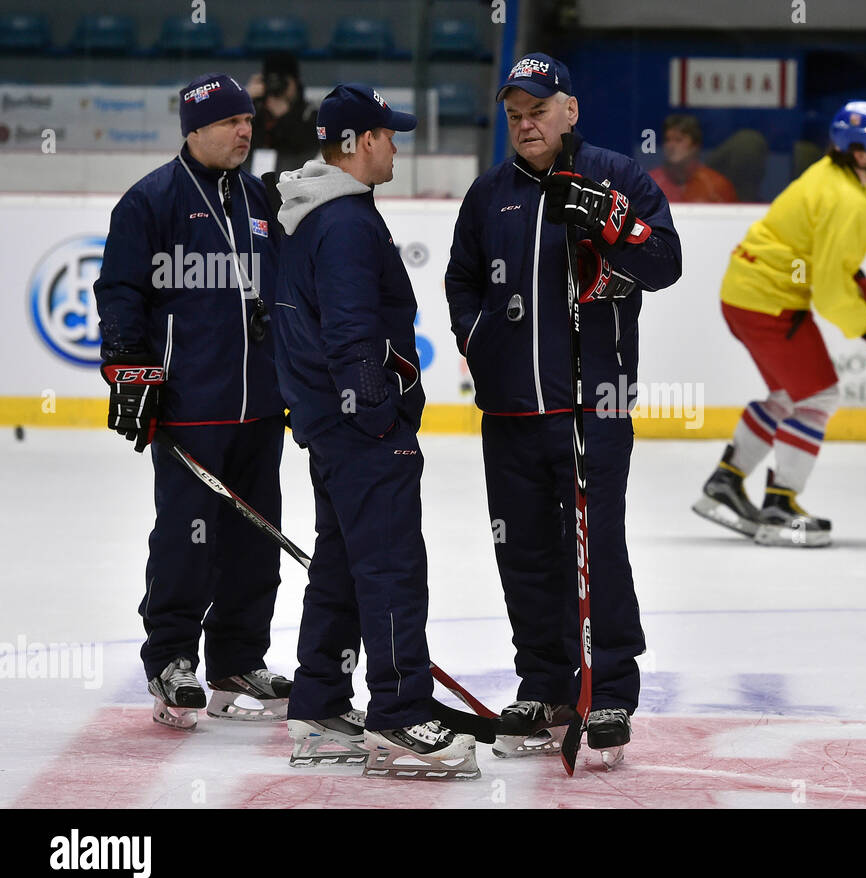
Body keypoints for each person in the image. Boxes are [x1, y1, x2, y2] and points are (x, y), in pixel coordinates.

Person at [445, 52, 681, 765]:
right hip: (512, 410)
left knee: (595, 548)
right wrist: (480, 340)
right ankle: (545, 681)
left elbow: (664, 263)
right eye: (515, 116)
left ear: (570, 110)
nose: (526, 125)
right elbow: (461, 281)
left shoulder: (619, 175)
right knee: (524, 551)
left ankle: (607, 687)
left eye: (539, 111)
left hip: (593, 405)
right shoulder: (489, 194)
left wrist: (617, 226)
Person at [272, 83, 489, 778]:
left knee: (339, 564)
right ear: (359, 143)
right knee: (392, 565)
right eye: (388, 134)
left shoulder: (322, 212)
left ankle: (320, 702)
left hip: (330, 425)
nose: (396, 144)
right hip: (361, 431)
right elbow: (351, 332)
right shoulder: (344, 223)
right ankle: (399, 713)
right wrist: (376, 415)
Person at [94, 72, 289, 730]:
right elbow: (121, 293)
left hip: (259, 406)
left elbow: (282, 293)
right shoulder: (150, 201)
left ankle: (238, 658)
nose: (244, 131)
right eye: (231, 123)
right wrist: (129, 372)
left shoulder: (258, 198)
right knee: (186, 537)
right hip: (190, 407)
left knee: (254, 540)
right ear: (194, 129)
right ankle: (173, 658)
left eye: (247, 122)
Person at [692, 101, 866, 548]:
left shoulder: (838, 175)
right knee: (818, 396)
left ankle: (725, 483)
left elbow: (820, 252)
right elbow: (827, 290)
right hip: (769, 302)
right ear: (860, 153)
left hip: (745, 293)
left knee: (788, 395)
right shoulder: (849, 199)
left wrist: (855, 279)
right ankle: (779, 506)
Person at [244, 52, 319, 177]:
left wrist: (285, 117)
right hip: (250, 181)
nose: (276, 87)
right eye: (271, 81)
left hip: (291, 184)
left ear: (295, 83)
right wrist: (244, 99)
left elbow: (307, 153)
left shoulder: (309, 114)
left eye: (282, 81)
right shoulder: (250, 111)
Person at [648, 114, 737, 203]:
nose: (671, 146)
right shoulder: (650, 184)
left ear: (695, 146)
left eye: (678, 140)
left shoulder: (716, 185)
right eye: (667, 140)